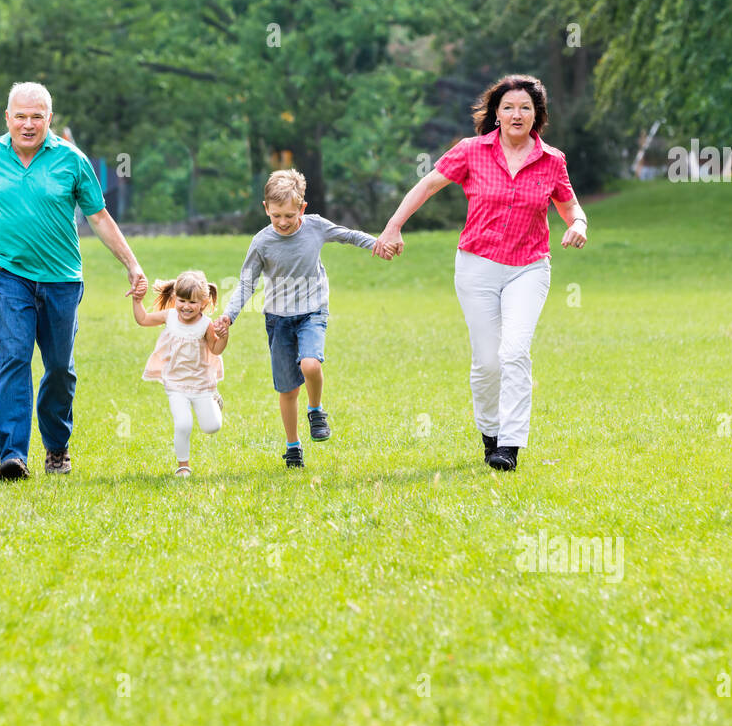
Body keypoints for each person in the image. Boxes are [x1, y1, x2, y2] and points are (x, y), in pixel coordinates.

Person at [0, 82, 147, 480]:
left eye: (36, 116)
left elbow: (99, 218)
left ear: (49, 119)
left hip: (61, 278)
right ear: (7, 117)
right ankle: (13, 455)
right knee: (13, 356)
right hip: (7, 274)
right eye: (20, 116)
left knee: (59, 367)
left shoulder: (72, 161)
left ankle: (57, 446)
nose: (28, 124)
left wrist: (132, 264)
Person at [375, 74, 588, 472]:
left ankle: (509, 444)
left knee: (515, 352)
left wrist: (579, 225)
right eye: (508, 107)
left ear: (537, 114)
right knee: (488, 361)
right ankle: (490, 432)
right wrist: (393, 226)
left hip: (529, 267)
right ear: (496, 113)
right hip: (477, 267)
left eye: (525, 107)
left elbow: (570, 206)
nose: (516, 114)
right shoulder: (472, 151)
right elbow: (427, 186)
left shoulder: (551, 160)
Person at [215, 169, 392, 468]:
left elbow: (346, 234)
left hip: (312, 311)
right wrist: (228, 316)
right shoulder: (261, 242)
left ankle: (316, 409)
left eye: (289, 215)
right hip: (278, 319)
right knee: (287, 390)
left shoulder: (315, 227)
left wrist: (376, 243)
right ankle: (293, 446)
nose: (283, 222)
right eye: (276, 216)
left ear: (302, 208)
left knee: (310, 364)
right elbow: (246, 283)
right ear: (266, 209)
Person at [133, 270, 229, 477]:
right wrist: (137, 300)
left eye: (192, 302)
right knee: (183, 423)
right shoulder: (169, 317)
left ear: (203, 303)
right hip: (175, 384)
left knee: (212, 426)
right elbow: (142, 319)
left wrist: (224, 335)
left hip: (202, 384)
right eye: (182, 300)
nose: (186, 306)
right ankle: (183, 465)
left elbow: (216, 349)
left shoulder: (206, 324)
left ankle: (215, 400)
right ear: (175, 298)